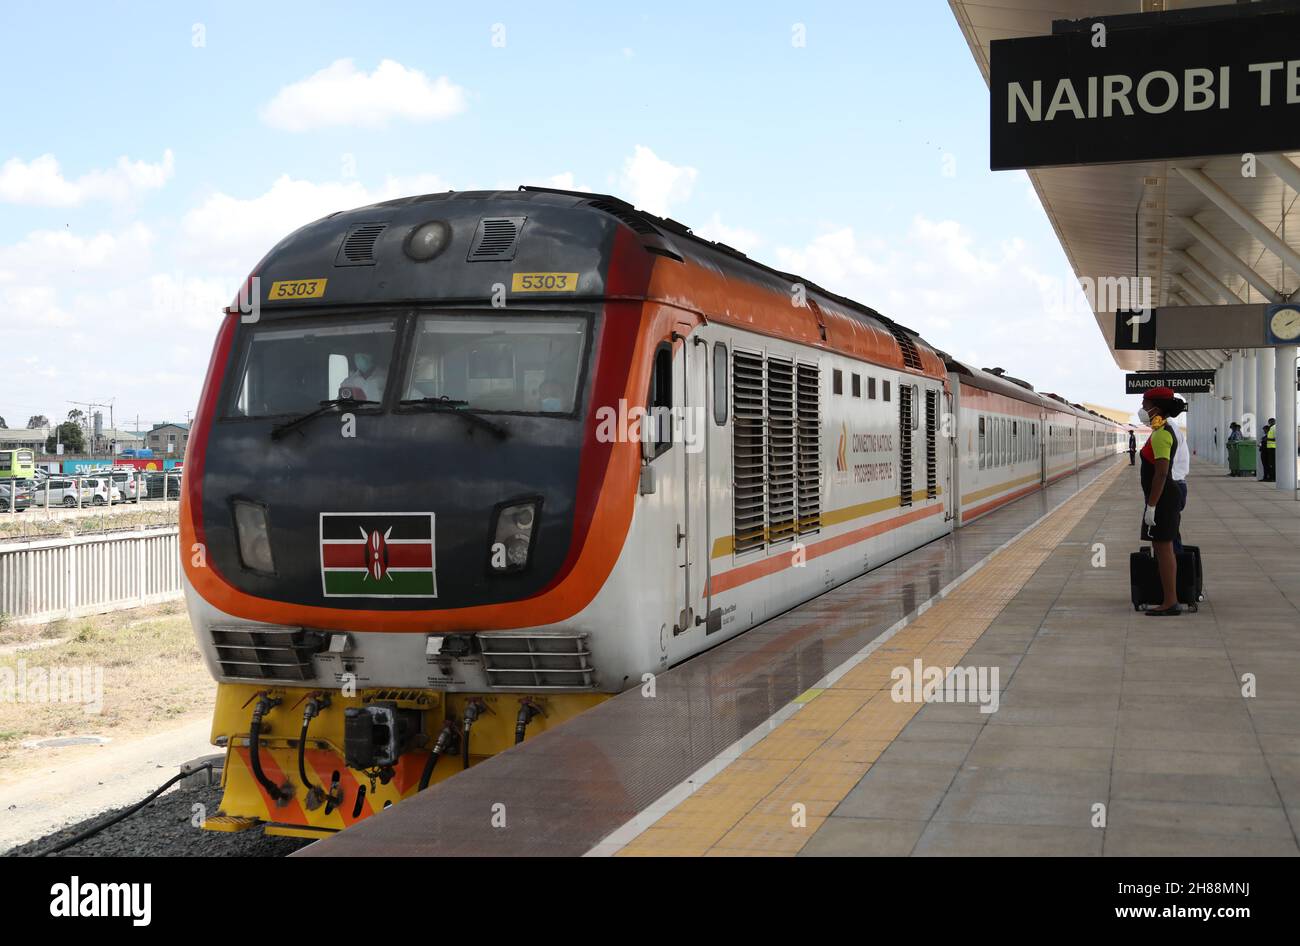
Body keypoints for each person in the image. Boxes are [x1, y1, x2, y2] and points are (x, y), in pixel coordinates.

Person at [1137, 387, 1186, 617]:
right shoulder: (1159, 430)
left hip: (1164, 498)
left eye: (1145, 404)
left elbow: (1161, 473)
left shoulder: (1163, 433)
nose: (1143, 409)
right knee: (1161, 547)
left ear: (1156, 407)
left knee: (1165, 548)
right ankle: (1168, 599)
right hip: (1161, 497)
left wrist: (1153, 506)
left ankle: (1170, 602)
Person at [1261, 417, 1277, 482]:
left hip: (1273, 448)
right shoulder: (1271, 428)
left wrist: (1267, 439)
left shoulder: (1274, 428)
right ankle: (1270, 477)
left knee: (1272, 464)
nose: (1269, 423)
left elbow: (1276, 438)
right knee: (1270, 464)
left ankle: (1273, 478)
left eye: (1270, 422)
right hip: (1270, 448)